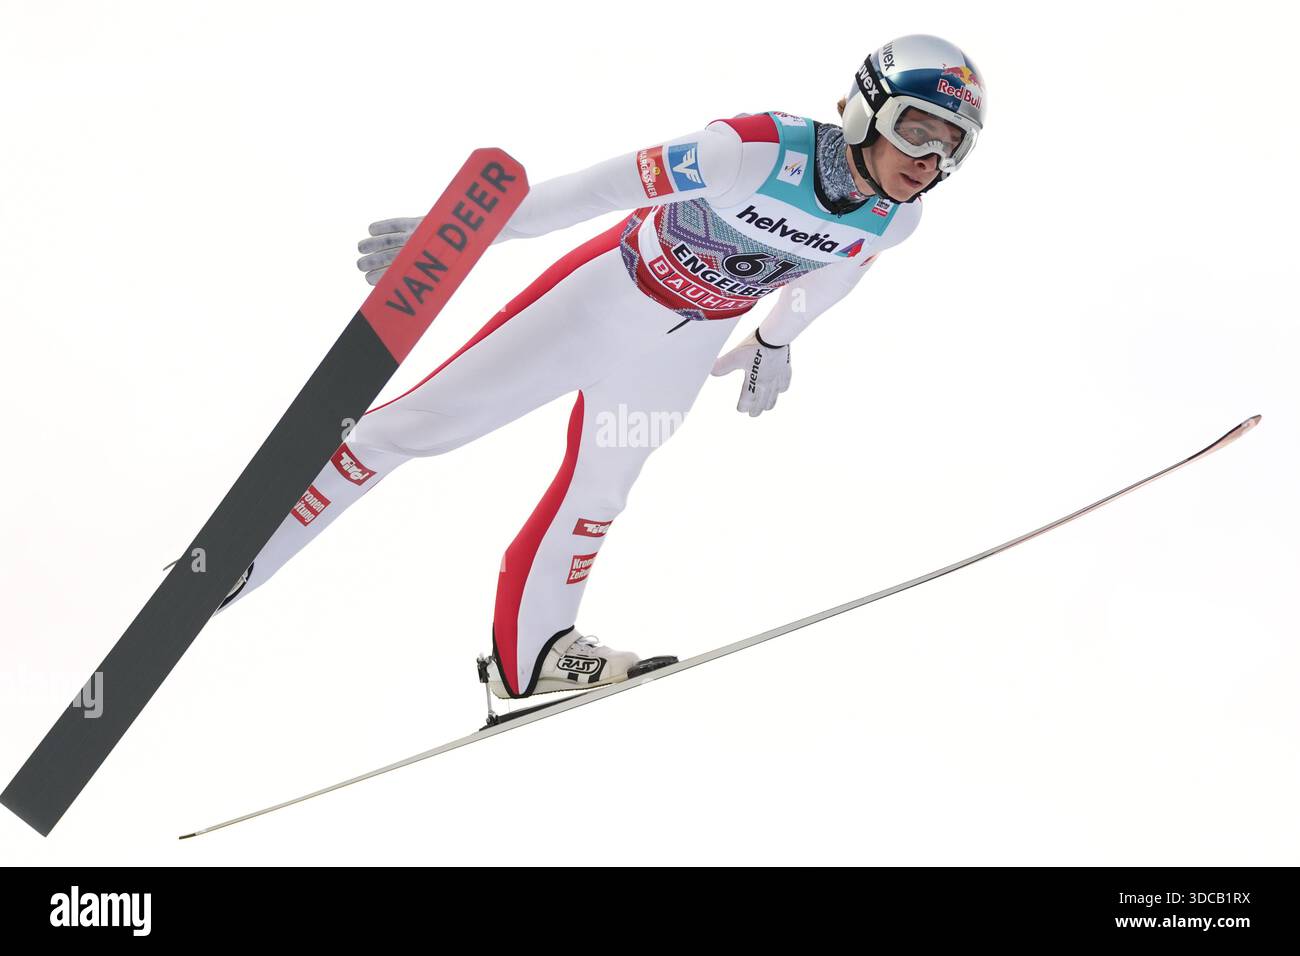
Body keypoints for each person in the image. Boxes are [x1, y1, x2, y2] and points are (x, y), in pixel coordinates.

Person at [218, 34, 987, 701]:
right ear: (866, 107)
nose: (929, 158)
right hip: (607, 298)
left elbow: (834, 275)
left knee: (602, 488)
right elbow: (589, 192)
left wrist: (777, 339)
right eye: (918, 129)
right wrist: (459, 236)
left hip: (682, 347)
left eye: (952, 144)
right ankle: (248, 549)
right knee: (424, 426)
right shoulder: (750, 149)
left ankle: (532, 654)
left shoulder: (896, 219)